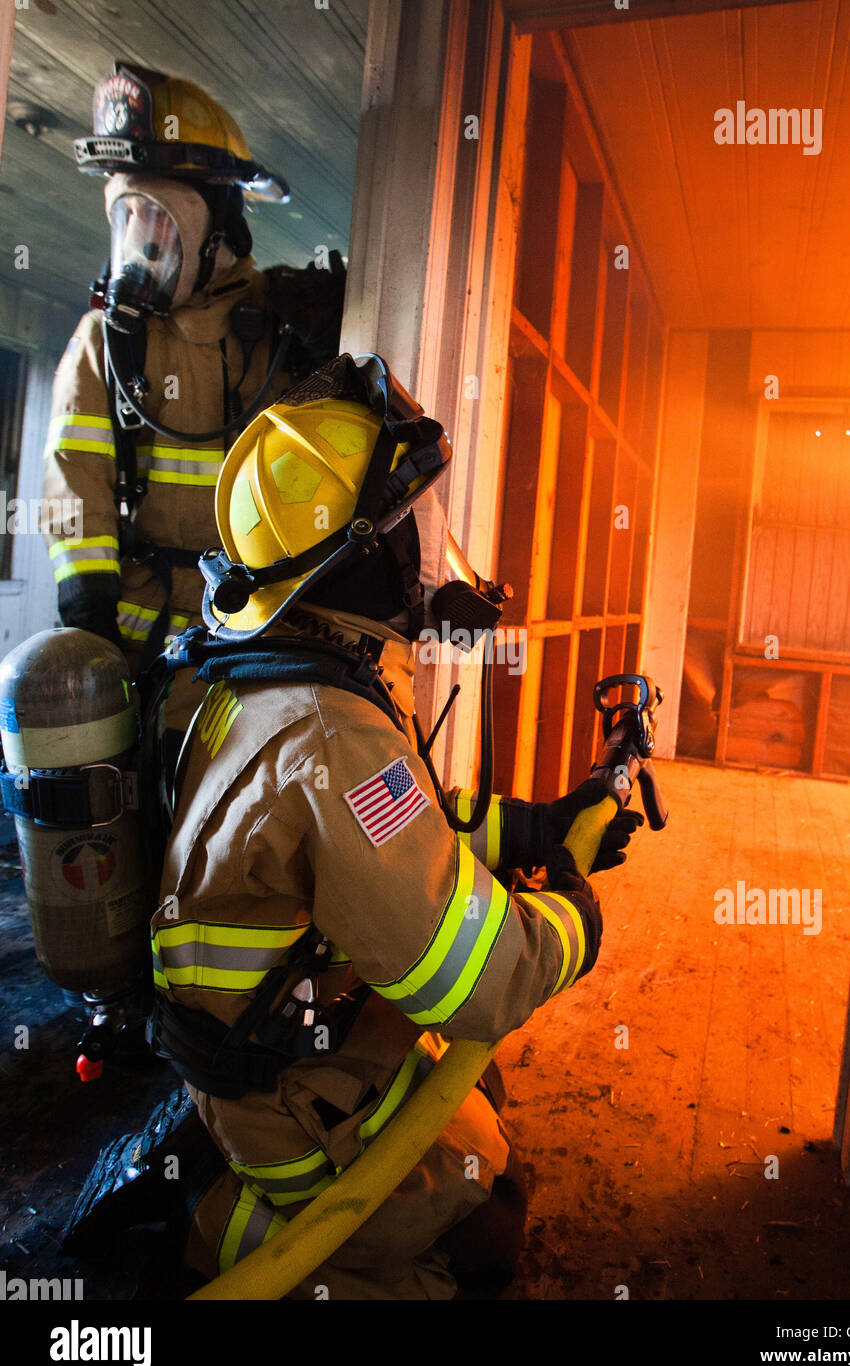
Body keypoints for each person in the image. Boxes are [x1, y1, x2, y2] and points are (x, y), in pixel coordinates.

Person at [139, 352, 643, 1299]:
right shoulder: (333, 732)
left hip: (265, 1045)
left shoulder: (257, 679)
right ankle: (238, 1242)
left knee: (480, 1113)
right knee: (481, 1238)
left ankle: (240, 1213)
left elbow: (382, 838)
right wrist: (575, 915)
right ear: (363, 552)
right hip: (282, 1100)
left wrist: (532, 829)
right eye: (414, 524)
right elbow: (476, 984)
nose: (430, 547)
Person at [41, 62, 345, 726]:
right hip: (135, 651)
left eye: (161, 219)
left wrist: (337, 347)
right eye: (129, 218)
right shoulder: (107, 342)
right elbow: (77, 480)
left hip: (253, 647)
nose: (143, 244)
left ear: (219, 227)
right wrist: (88, 618)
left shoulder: (285, 329)